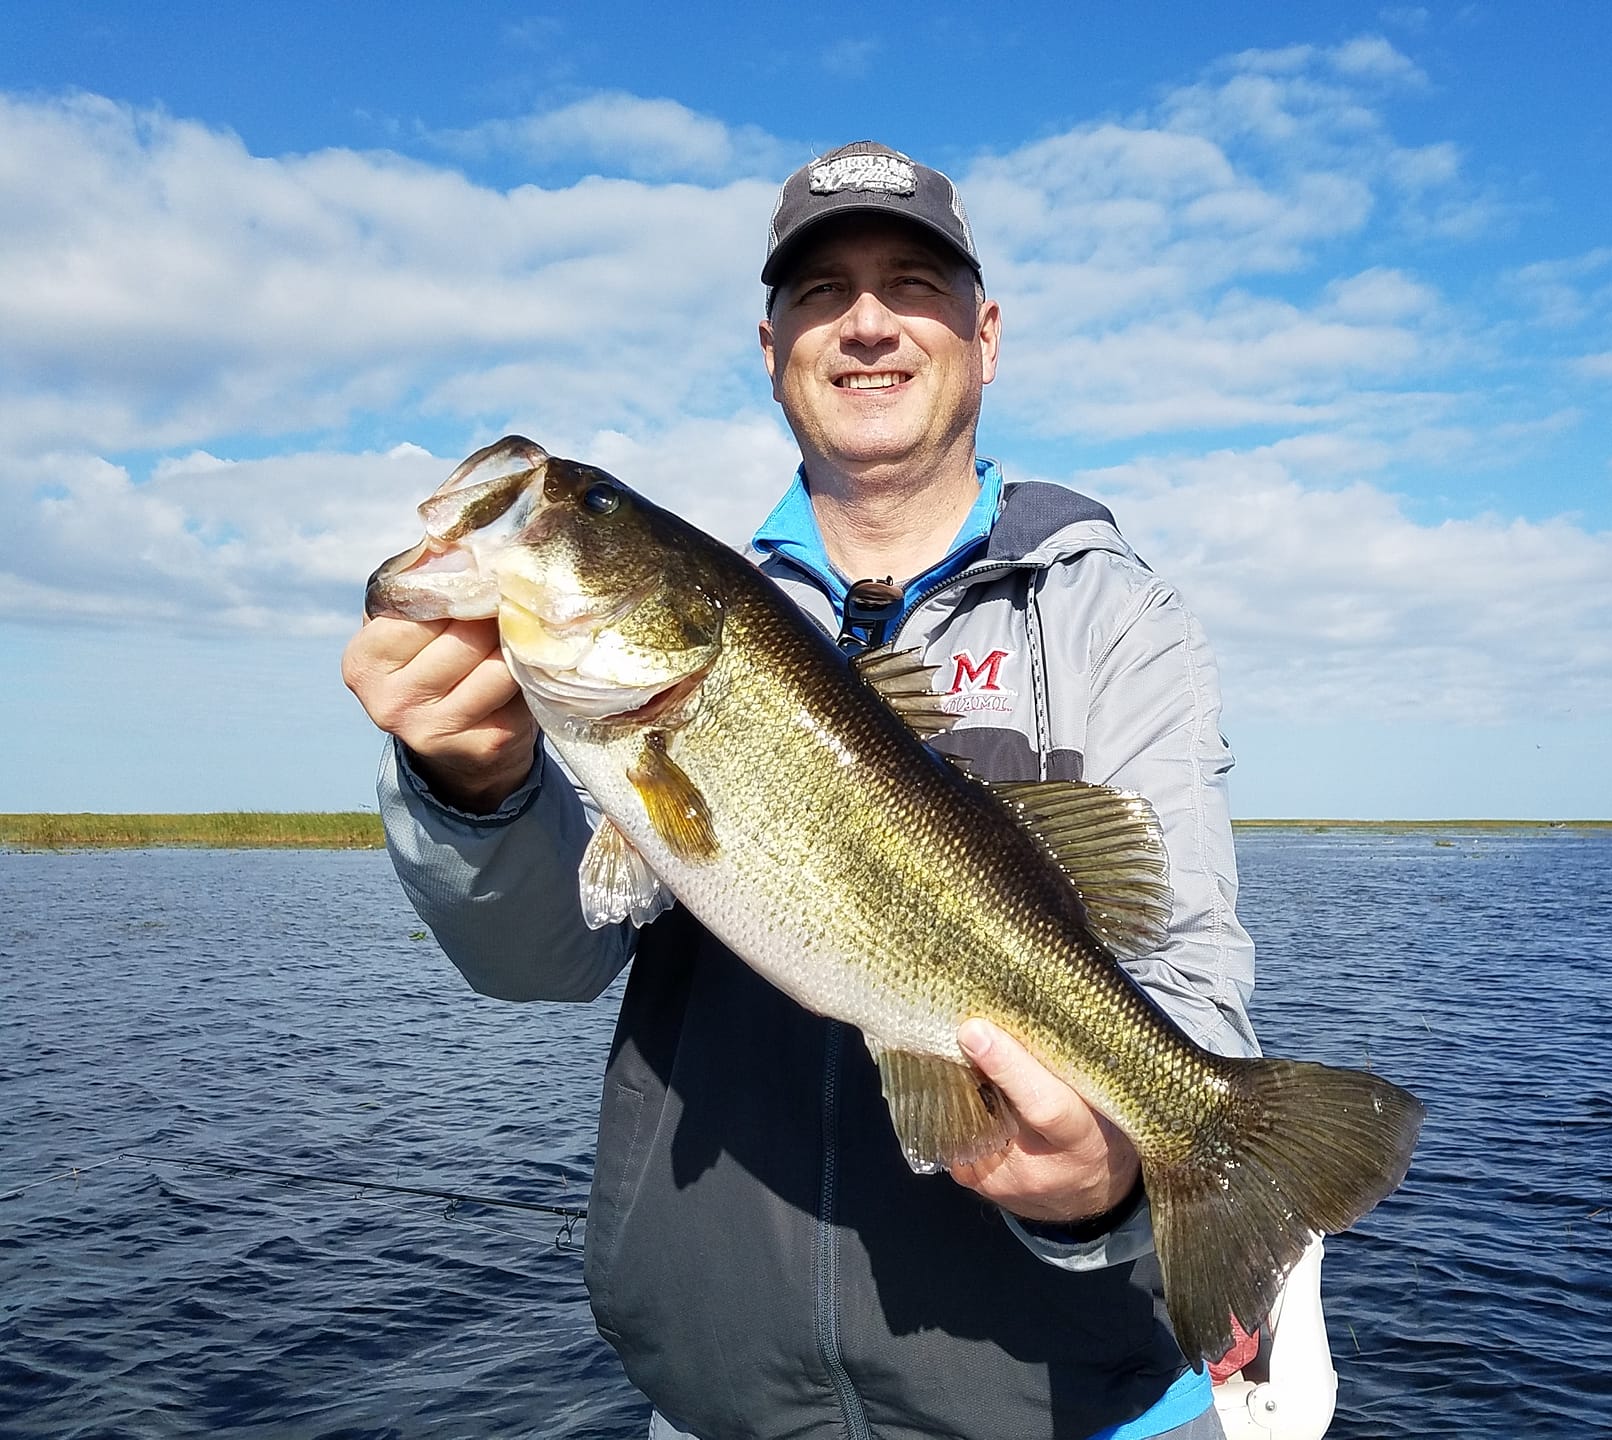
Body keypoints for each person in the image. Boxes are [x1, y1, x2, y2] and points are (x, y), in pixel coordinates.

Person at [342, 140, 1336, 1440]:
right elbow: (546, 956)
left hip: (1056, 1406)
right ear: (771, 347)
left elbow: (1182, 964)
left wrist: (1108, 1182)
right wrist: (469, 786)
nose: (866, 322)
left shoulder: (1115, 614)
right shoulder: (687, 629)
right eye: (821, 293)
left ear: (984, 334)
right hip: (725, 1406)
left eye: (911, 283)